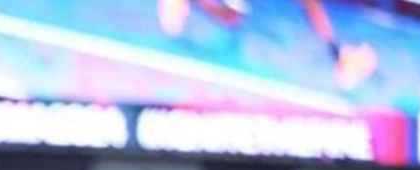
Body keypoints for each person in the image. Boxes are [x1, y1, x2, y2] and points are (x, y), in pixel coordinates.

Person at [157, 0, 378, 90]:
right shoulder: (322, 45)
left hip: (259, 36)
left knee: (236, 24)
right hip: (257, 35)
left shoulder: (317, 49)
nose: (357, 47)